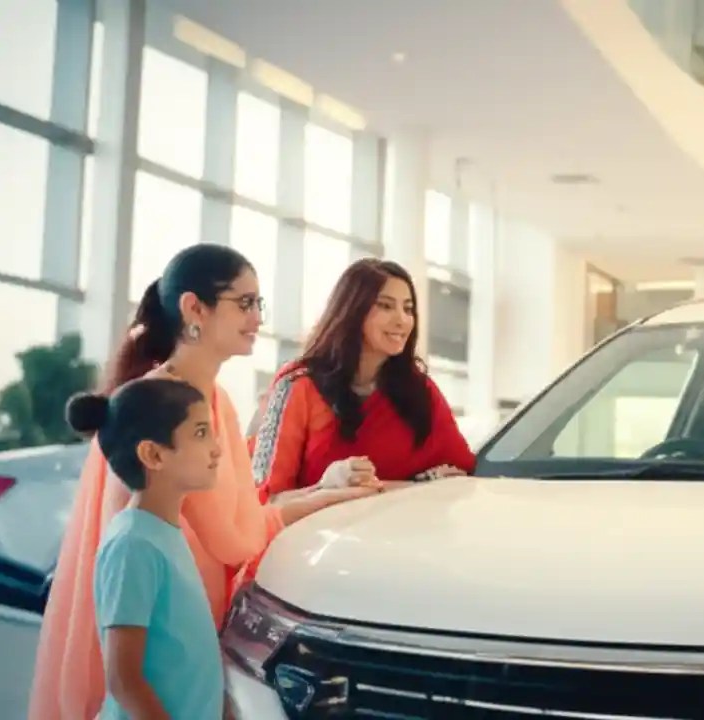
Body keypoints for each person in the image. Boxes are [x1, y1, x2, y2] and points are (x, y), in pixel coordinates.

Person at [29, 244, 377, 720]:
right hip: (162, 648)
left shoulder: (213, 401)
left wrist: (326, 493)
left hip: (197, 638)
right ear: (195, 308)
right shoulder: (155, 411)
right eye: (245, 302)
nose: (257, 317)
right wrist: (325, 498)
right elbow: (236, 537)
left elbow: (245, 514)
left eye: (259, 304)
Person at [252, 258, 475, 501]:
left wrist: (406, 486)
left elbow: (460, 476)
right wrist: (327, 488)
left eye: (408, 308)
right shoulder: (298, 386)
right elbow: (265, 500)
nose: (402, 320)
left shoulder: (420, 390)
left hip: (405, 533)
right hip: (317, 535)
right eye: (386, 306)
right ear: (353, 311)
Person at [68, 379, 225, 719]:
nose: (217, 448)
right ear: (153, 454)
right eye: (200, 433)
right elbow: (124, 681)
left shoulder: (165, 532)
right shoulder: (133, 545)